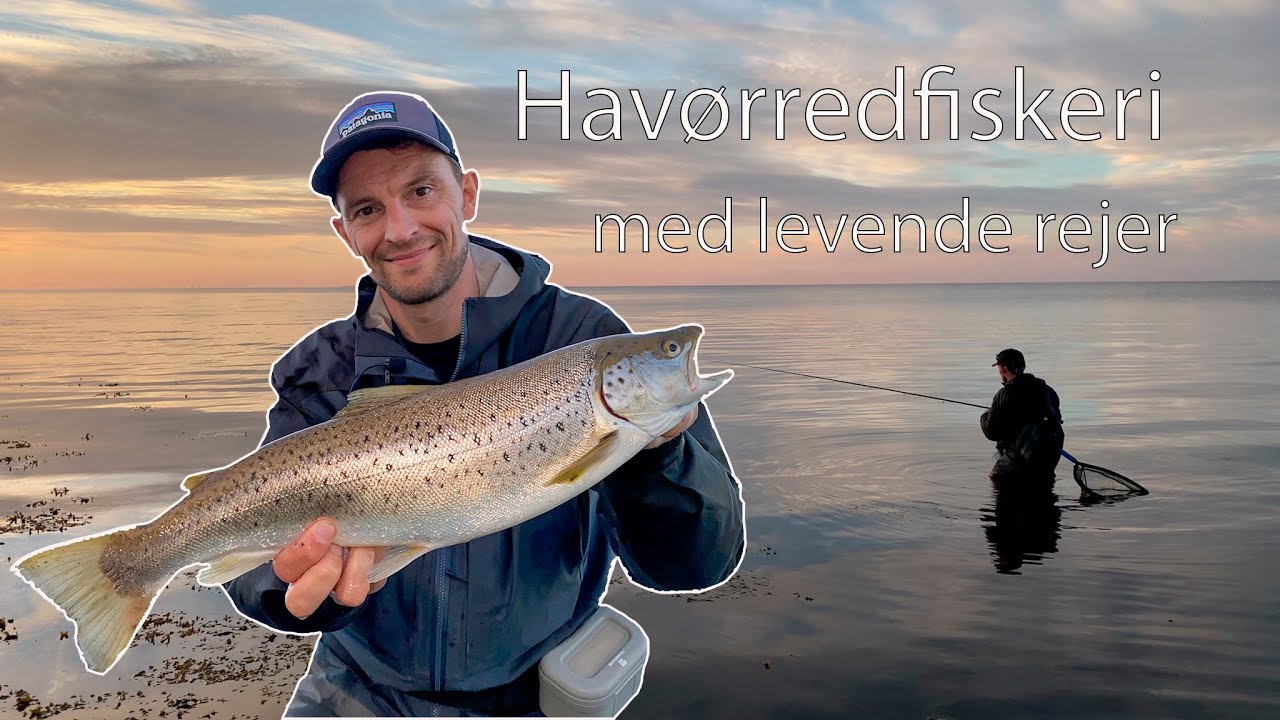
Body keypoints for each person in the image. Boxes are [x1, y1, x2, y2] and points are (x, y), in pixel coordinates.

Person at [222, 91, 747, 717]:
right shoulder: (320, 369)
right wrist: (301, 592)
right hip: (355, 689)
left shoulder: (580, 338)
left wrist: (659, 456)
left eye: (421, 191)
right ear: (346, 232)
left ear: (466, 195)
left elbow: (696, 565)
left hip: (533, 693)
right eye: (367, 209)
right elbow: (249, 567)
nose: (400, 229)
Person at [979, 348, 1064, 481]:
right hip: (1043, 466)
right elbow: (1057, 420)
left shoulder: (1004, 394)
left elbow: (992, 432)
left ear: (1003, 369)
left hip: (1012, 470)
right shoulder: (1047, 391)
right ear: (1023, 366)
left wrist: (985, 416)